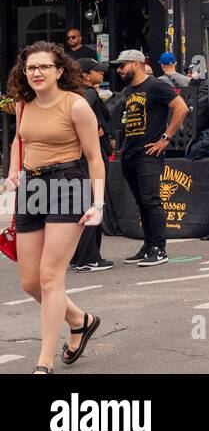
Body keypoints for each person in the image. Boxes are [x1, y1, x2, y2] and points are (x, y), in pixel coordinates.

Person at [3, 44, 107, 373]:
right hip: (31, 187)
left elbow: (94, 157)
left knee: (50, 278)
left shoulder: (75, 105)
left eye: (44, 67)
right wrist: (12, 174)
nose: (36, 73)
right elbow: (20, 141)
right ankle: (80, 320)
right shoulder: (24, 105)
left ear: (59, 70)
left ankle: (44, 362)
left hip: (67, 185)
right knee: (30, 282)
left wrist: (99, 203)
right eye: (31, 68)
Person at [110, 49, 188, 265]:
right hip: (130, 153)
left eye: (122, 65)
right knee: (141, 202)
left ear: (136, 64)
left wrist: (165, 138)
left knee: (151, 201)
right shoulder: (128, 91)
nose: (119, 70)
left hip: (148, 154)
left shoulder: (155, 85)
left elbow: (181, 108)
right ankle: (148, 245)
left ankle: (159, 248)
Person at [69, 59, 114, 272]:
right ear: (87, 75)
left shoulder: (74, 94)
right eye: (99, 71)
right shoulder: (88, 94)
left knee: (84, 203)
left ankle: (79, 256)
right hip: (93, 156)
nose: (103, 74)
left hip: (82, 156)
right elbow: (86, 117)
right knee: (94, 202)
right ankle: (89, 257)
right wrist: (96, 130)